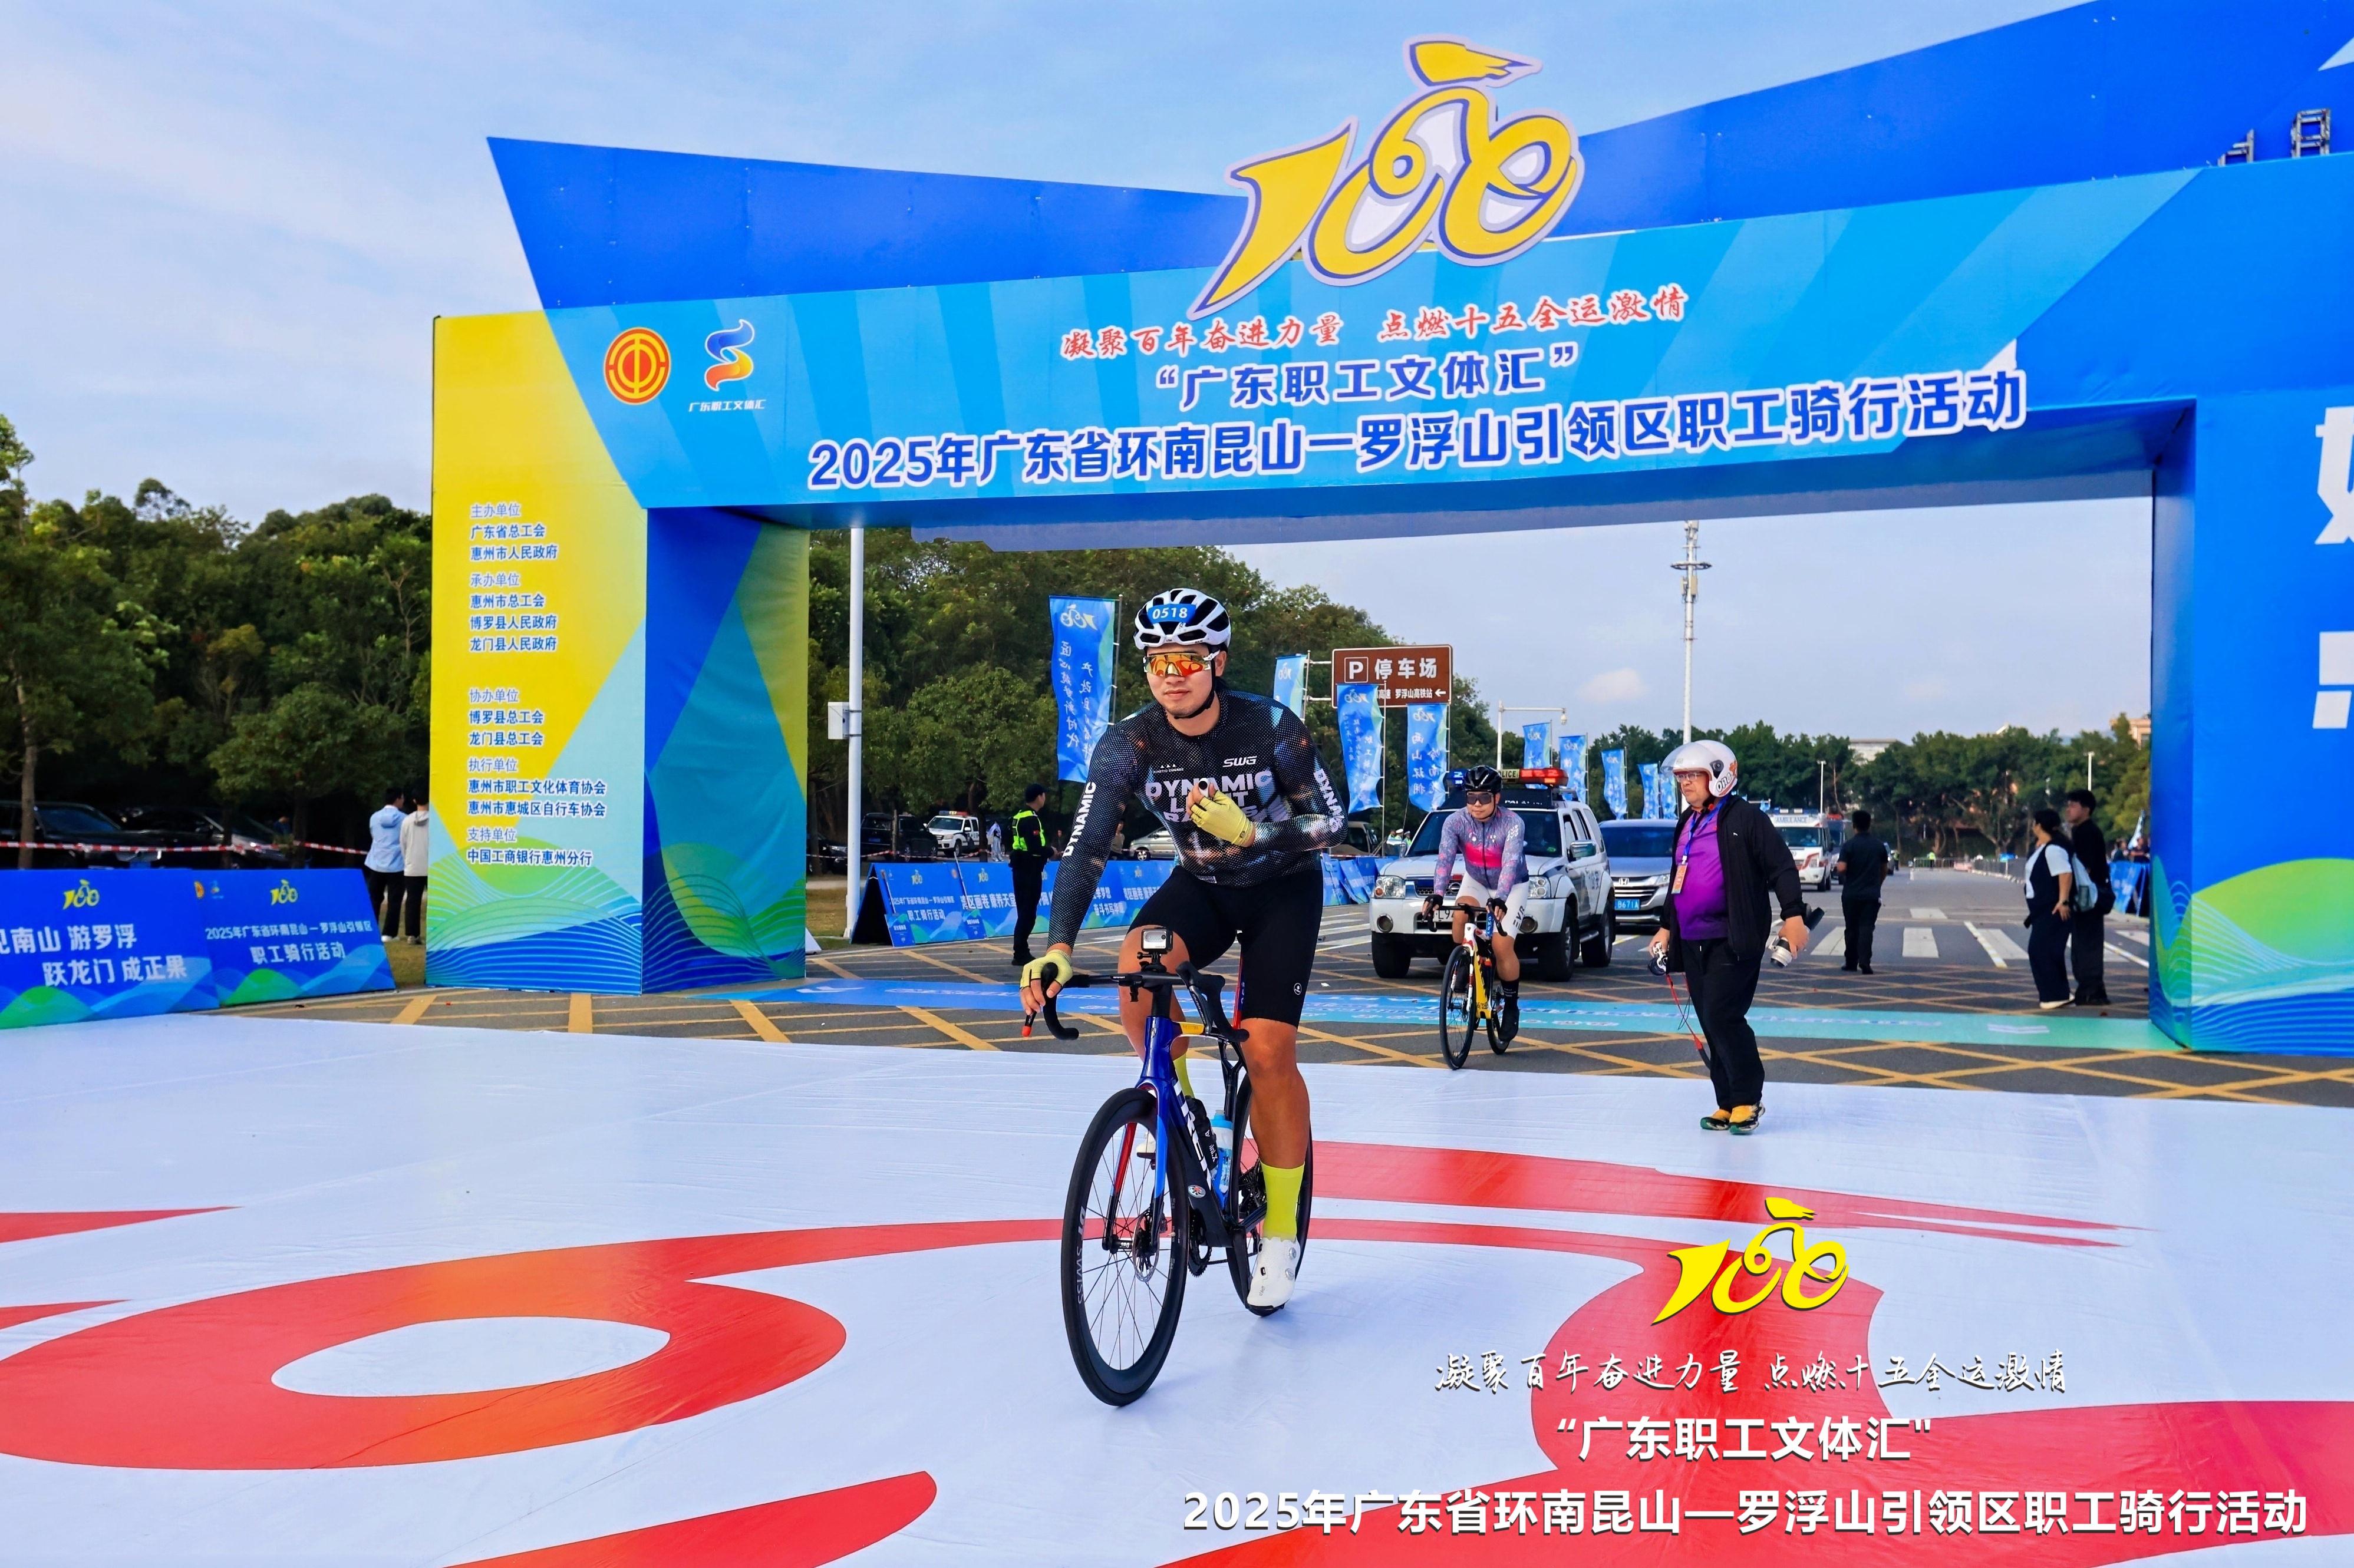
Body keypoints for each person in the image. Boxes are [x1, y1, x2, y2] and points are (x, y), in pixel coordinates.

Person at [1020, 589, 1345, 1308]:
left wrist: (1253, 833)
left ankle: (1281, 1233)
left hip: (1282, 888)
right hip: (1201, 886)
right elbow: (1085, 848)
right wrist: (1057, 946)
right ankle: (1186, 1116)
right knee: (1138, 967)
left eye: (1188, 660)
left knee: (1267, 1052)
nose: (1172, 675)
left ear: (1217, 663)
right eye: (1158, 662)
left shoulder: (1270, 726)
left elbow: (1332, 823)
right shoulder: (1130, 742)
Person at [1645, 740, 1809, 1135]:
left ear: (1719, 776)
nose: (1685, 783)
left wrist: (1793, 916)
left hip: (1732, 937)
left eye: (1693, 775)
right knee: (1709, 1020)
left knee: (1723, 1015)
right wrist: (1666, 927)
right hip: (1692, 940)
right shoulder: (1687, 822)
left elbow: (1782, 868)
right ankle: (1727, 1101)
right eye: (1681, 776)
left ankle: (1748, 1098)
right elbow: (1678, 879)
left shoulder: (1746, 819)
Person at [1420, 765, 1527, 1041]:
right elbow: (1445, 859)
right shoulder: (1455, 822)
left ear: (1497, 798)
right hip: (1476, 879)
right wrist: (1438, 894)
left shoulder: (1513, 823)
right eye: (1471, 797)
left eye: (1484, 798)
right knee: (1460, 921)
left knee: (1502, 946)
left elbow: (1510, 863)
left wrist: (1501, 898)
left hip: (1512, 885)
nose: (1477, 804)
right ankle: (1468, 962)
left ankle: (1511, 1006)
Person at [2022, 807, 2076, 1010]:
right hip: (2042, 909)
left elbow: (2065, 874)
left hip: (2053, 908)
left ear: (2038, 826)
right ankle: (2059, 994)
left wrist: (2063, 901)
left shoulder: (2054, 849)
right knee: (2049, 951)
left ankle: (2054, 995)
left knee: (2040, 950)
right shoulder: (2043, 848)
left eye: (2034, 823)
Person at [2062, 788, 2112, 1006]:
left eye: (2073, 806)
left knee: (2087, 944)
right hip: (2086, 898)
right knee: (2083, 944)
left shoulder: (2088, 833)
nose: (2068, 810)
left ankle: (2093, 990)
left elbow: (2086, 869)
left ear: (2086, 809)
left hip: (2089, 899)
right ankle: (2088, 989)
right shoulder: (2079, 831)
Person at [1833, 808, 1891, 974]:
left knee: (1851, 928)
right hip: (1871, 895)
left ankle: (1851, 962)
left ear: (1854, 826)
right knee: (1867, 928)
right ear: (1869, 825)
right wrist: (1878, 884)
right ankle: (1865, 962)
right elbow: (1884, 869)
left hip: (1851, 894)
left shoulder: (1849, 845)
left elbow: (1842, 868)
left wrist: (1842, 872)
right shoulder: (1879, 846)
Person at [1007, 784, 1052, 966]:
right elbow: (1035, 848)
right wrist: (1051, 851)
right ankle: (1020, 952)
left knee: (1024, 912)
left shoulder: (1018, 816)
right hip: (1030, 869)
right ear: (1039, 797)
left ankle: (1021, 951)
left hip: (1019, 868)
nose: (1045, 798)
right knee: (1028, 914)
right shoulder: (1031, 819)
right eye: (1044, 795)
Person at [363, 788, 408, 937]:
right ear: (397, 799)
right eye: (402, 798)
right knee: (395, 900)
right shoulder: (405, 819)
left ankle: (371, 929)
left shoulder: (374, 817)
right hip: (397, 864)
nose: (403, 801)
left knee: (374, 899)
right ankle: (389, 934)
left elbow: (374, 836)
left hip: (376, 863)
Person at [397, 790, 430, 944]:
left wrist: (408, 860)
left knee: (412, 901)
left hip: (412, 867)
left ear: (415, 801)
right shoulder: (437, 821)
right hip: (432, 867)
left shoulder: (407, 821)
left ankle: (412, 934)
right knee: (436, 902)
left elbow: (402, 844)